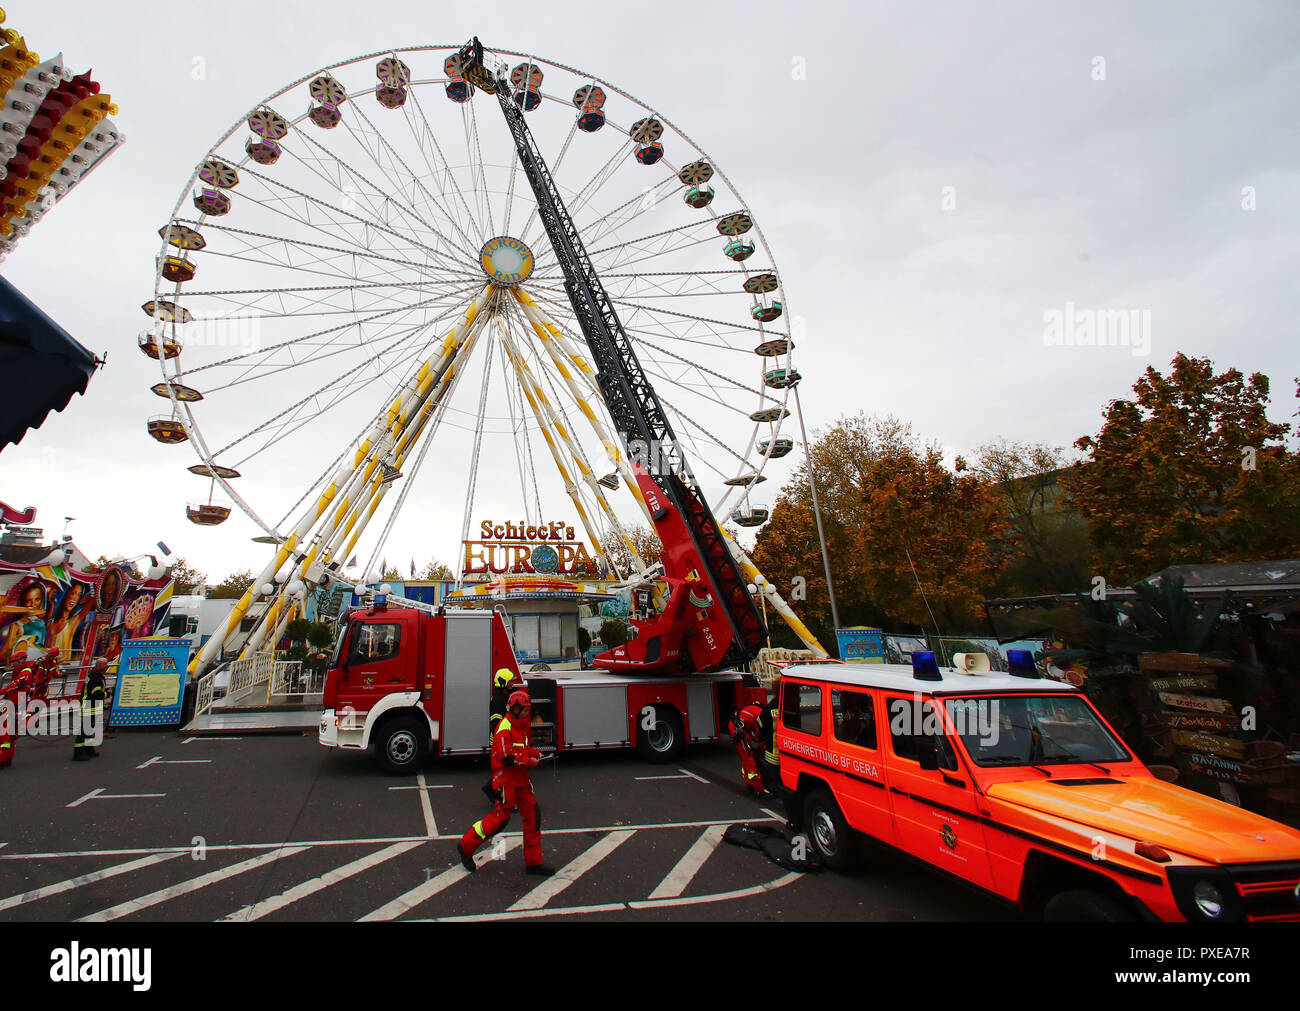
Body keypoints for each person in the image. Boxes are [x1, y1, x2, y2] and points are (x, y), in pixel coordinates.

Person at [458, 689, 554, 877]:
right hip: (506, 782)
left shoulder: (520, 725)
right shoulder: (505, 728)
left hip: (521, 780)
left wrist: (536, 754)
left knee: (533, 817)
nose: (528, 713)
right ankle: (465, 847)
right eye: (526, 710)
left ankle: (534, 863)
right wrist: (530, 762)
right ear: (516, 709)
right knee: (498, 821)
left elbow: (522, 749)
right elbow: (507, 758)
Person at [483, 666, 523, 801]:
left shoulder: (505, 696)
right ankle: (496, 792)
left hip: (503, 739)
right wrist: (502, 743)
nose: (513, 684)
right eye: (510, 682)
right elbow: (496, 724)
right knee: (506, 769)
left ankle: (492, 789)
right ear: (503, 683)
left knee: (505, 769)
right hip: (498, 739)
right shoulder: (498, 701)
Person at [0, 655, 36, 770]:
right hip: (17, 704)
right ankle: (7, 758)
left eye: (14, 662)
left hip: (14, 705)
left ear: (21, 660)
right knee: (11, 736)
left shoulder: (25, 671)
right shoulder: (22, 670)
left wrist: (2, 691)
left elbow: (17, 685)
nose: (13, 664)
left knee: (5, 735)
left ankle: (2, 760)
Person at [73, 656, 108, 761]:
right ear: (99, 666)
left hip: (94, 706)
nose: (107, 667)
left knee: (90, 729)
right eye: (105, 665)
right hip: (90, 706)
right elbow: (96, 693)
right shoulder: (95, 677)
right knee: (84, 731)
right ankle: (78, 753)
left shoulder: (97, 676)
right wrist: (107, 694)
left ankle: (89, 749)